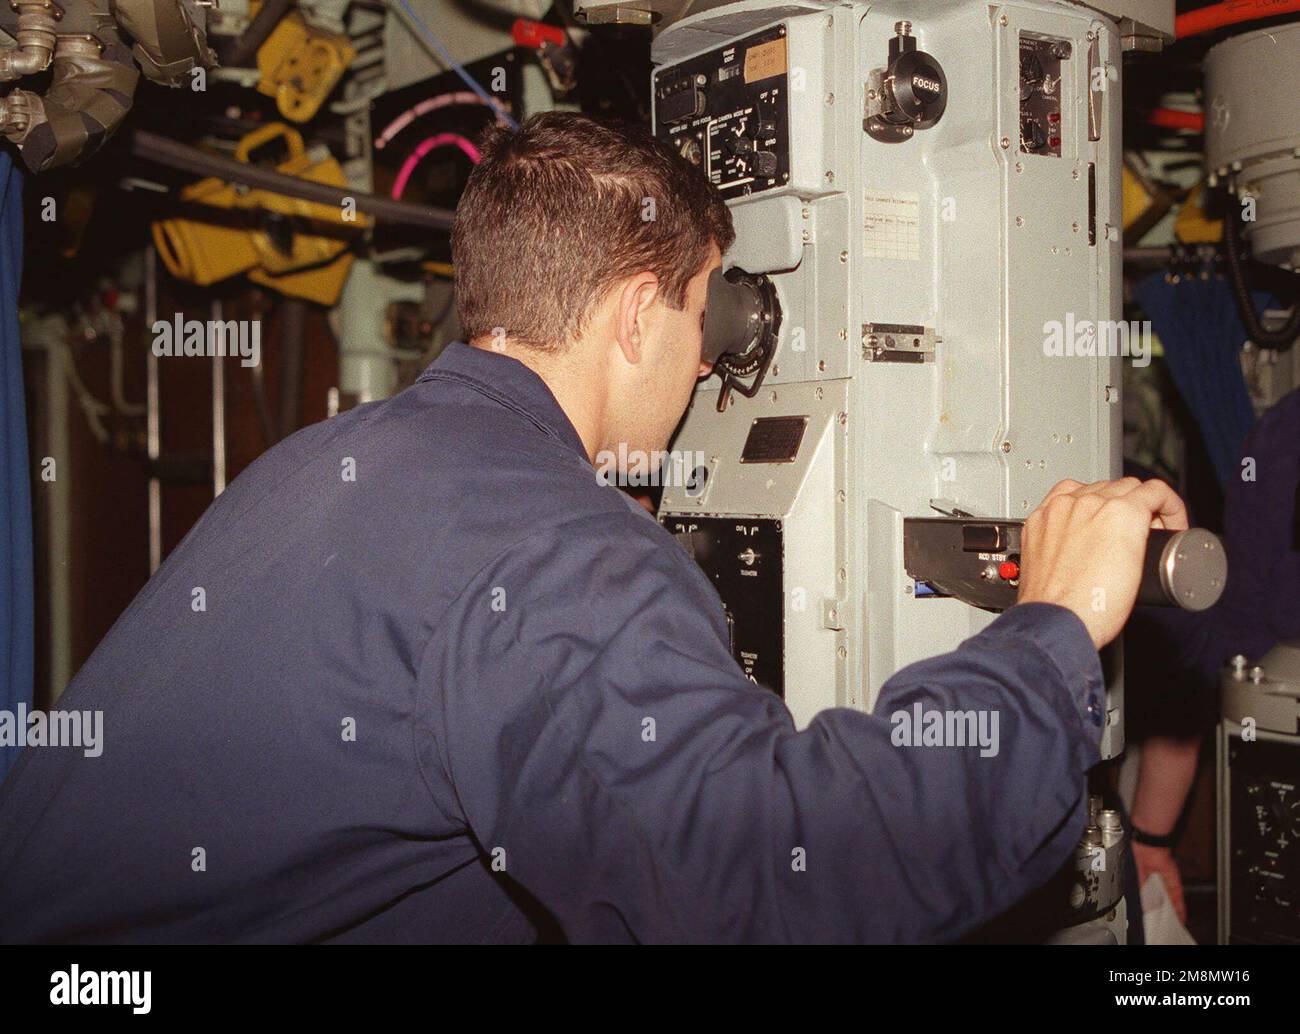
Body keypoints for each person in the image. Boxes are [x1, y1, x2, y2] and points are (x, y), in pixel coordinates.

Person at [0, 112, 1188, 943]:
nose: (704, 370)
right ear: (632, 316)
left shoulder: (333, 462)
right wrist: (1052, 628)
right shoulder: (544, 544)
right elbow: (773, 877)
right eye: (699, 320)